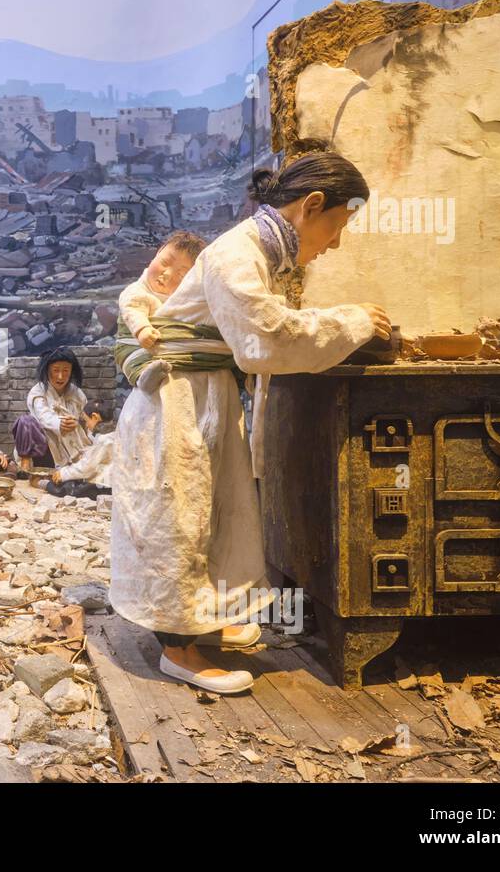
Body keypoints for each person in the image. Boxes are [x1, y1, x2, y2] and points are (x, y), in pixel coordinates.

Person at [109, 151, 391, 695]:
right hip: (176, 401)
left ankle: (202, 622)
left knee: (212, 512)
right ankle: (178, 647)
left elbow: (263, 327)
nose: (335, 242)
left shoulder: (257, 252)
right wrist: (352, 319)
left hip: (202, 397)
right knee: (178, 518)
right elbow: (266, 337)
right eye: (337, 225)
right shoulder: (237, 255)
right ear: (311, 207)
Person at [12, 348, 102, 475]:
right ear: (47, 370)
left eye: (66, 371)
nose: (60, 376)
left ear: (71, 371)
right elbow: (44, 416)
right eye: (55, 370)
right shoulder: (38, 391)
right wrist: (60, 423)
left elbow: (85, 419)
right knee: (25, 421)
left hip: (73, 444)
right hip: (45, 446)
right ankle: (25, 469)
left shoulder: (77, 394)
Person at [119, 231, 206, 350]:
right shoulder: (138, 291)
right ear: (158, 252)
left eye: (181, 275)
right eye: (165, 262)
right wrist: (142, 329)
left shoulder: (187, 299)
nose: (167, 274)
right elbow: (132, 308)